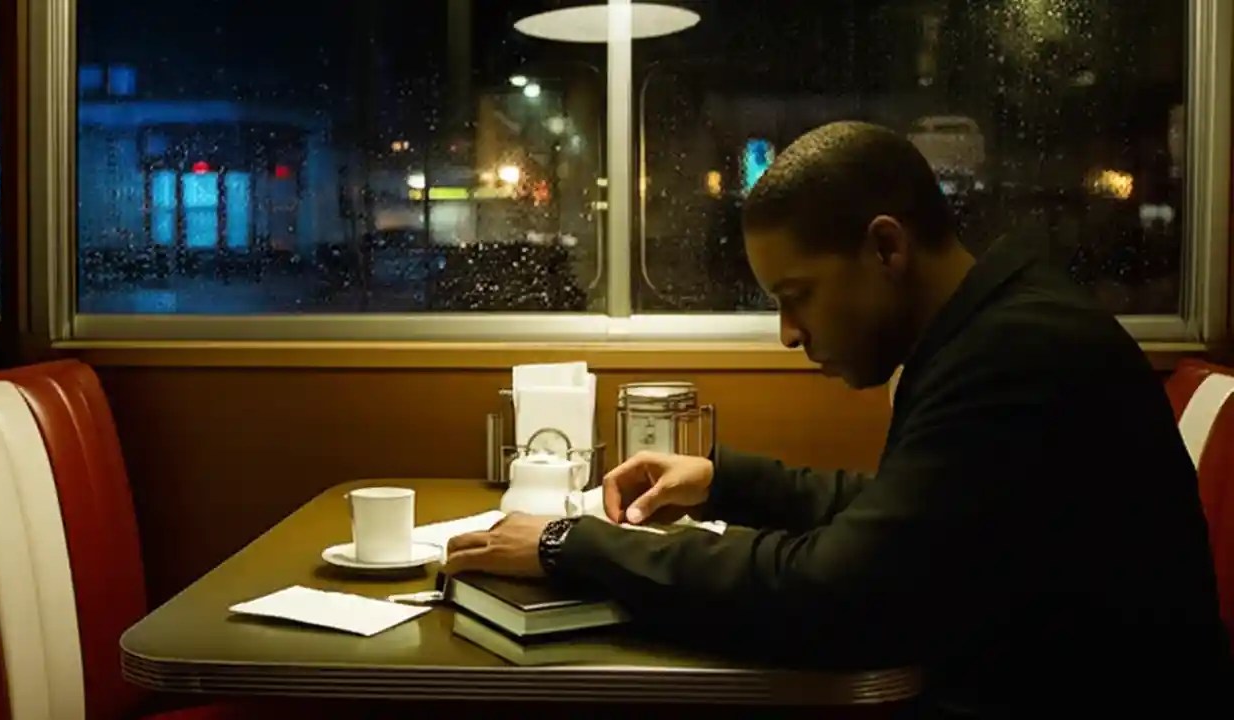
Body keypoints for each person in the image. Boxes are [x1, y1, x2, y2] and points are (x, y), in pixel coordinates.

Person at [444, 122, 1231, 717]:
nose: (790, 334)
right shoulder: (993, 327)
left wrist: (565, 542)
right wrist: (722, 480)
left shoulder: (1017, 357)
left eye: (797, 297)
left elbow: (834, 595)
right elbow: (908, 518)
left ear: (885, 249)